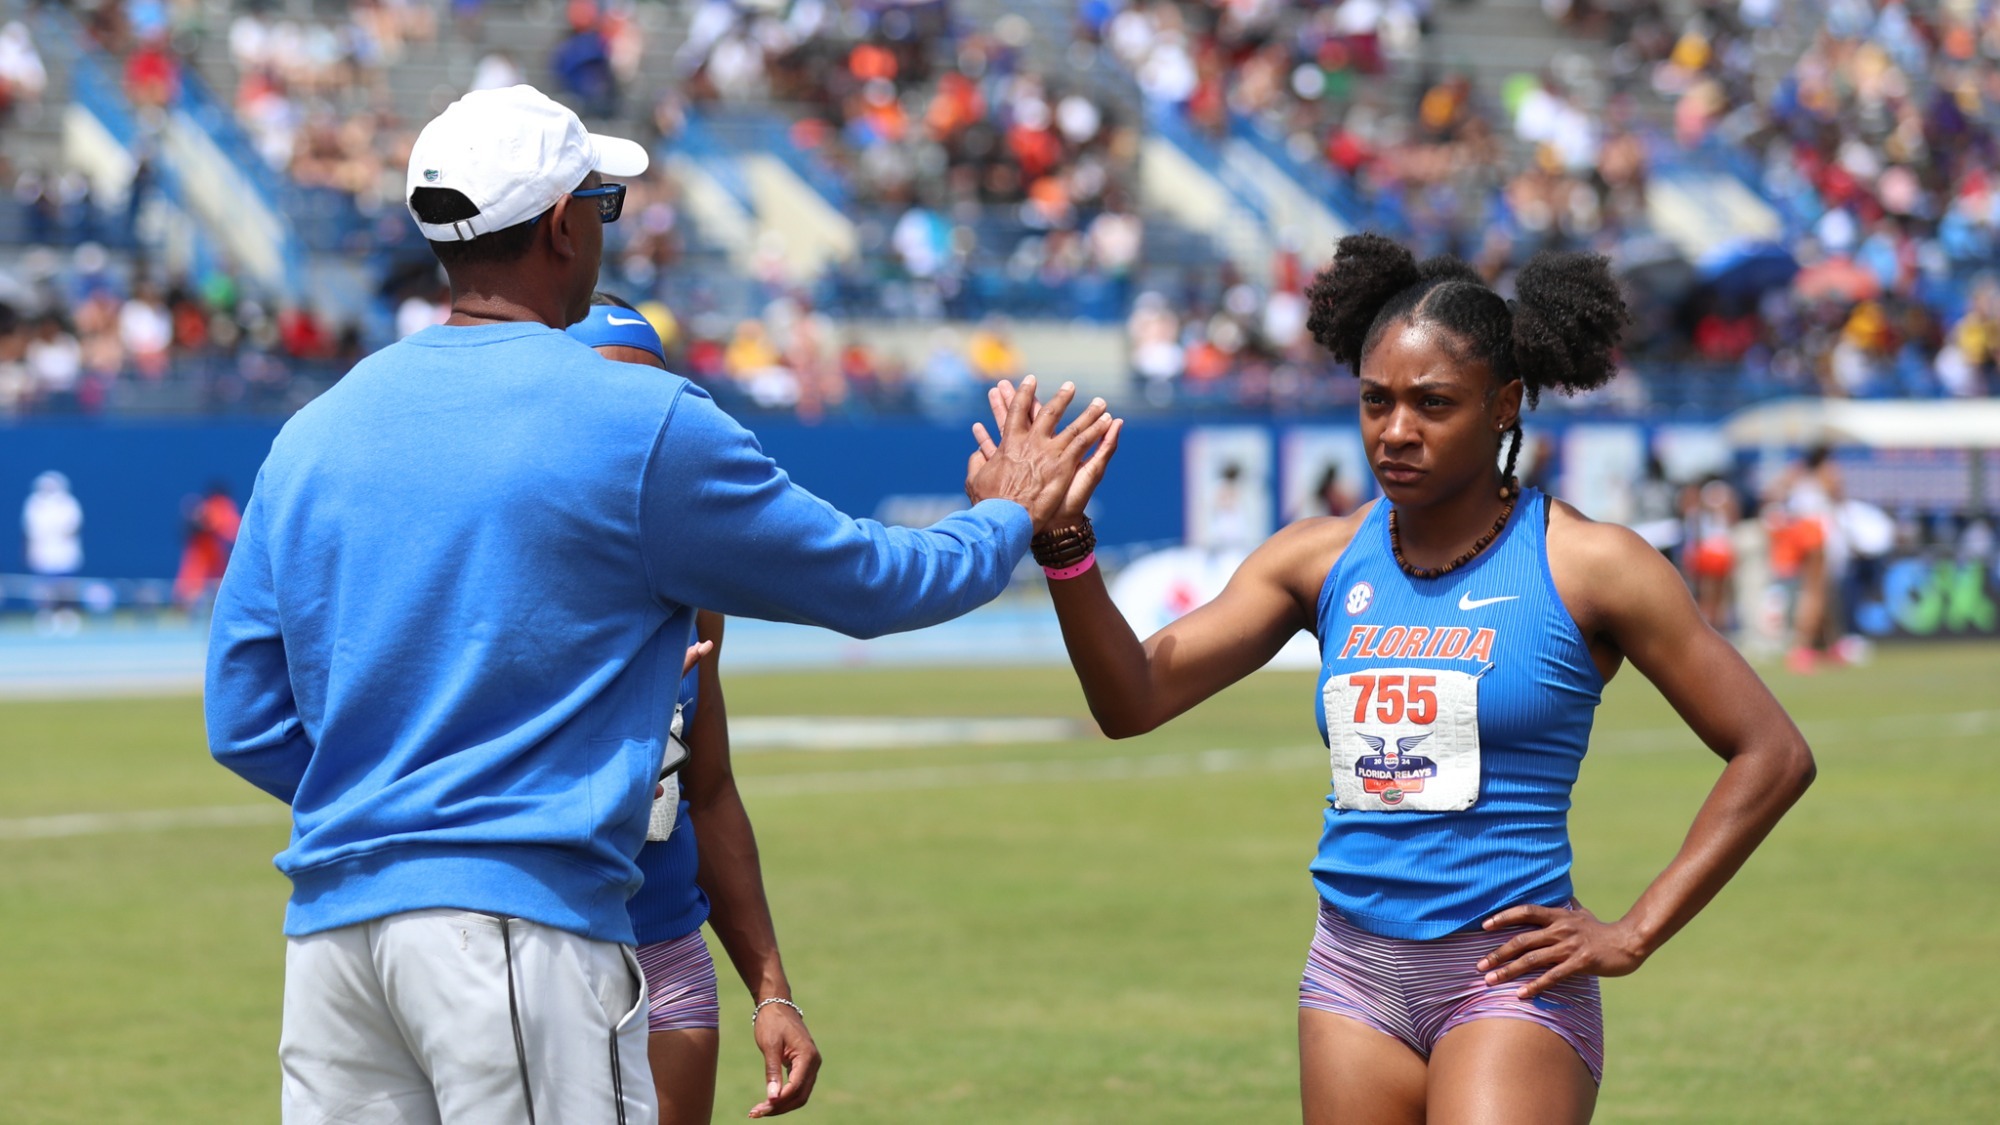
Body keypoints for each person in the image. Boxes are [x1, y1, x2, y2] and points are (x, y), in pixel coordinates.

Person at [206, 84, 1116, 1125]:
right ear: (561, 226)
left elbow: (242, 719)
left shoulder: (316, 430)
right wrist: (1005, 515)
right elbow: (874, 583)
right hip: (514, 928)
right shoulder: (634, 420)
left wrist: (390, 812)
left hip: (332, 938)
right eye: (601, 205)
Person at [984, 233, 1816, 1123]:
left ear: (1503, 405)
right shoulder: (1317, 557)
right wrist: (1063, 546)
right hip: (1351, 976)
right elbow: (1133, 699)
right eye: (1376, 402)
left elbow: (1771, 752)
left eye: (1432, 403)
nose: (1396, 431)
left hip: (1506, 976)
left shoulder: (1591, 564)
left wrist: (1637, 929)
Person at [570, 297, 818, 1121]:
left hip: (668, 945)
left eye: (650, 396)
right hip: (538, 942)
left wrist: (772, 991)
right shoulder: (514, 576)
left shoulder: (698, 595)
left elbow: (707, 792)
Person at [173, 481, 241, 610]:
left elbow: (233, 531)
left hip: (216, 576)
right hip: (198, 580)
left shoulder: (220, 510)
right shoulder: (213, 510)